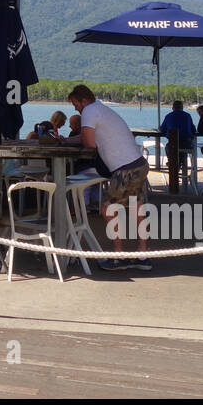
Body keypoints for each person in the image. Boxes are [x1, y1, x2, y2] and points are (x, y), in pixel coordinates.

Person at [65, 84, 150, 270]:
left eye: (75, 104)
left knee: (107, 209)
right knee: (137, 208)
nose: (75, 108)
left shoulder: (88, 111)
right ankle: (143, 256)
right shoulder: (101, 109)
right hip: (138, 163)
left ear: (84, 100)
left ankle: (117, 257)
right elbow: (87, 138)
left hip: (124, 169)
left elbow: (88, 143)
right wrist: (66, 140)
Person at [160, 101, 197, 187]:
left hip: (173, 145)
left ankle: (173, 163)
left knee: (168, 147)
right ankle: (178, 165)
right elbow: (193, 130)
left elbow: (162, 130)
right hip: (187, 145)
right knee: (181, 150)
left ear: (173, 108)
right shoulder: (187, 115)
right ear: (182, 107)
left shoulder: (168, 116)